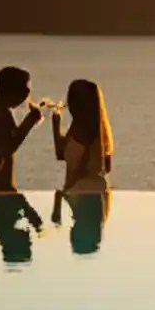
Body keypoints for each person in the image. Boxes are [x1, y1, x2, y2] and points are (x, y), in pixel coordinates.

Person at [49, 79, 114, 224]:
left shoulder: (80, 132)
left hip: (81, 196)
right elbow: (107, 167)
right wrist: (56, 125)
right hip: (97, 196)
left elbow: (72, 165)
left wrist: (60, 198)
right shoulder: (99, 131)